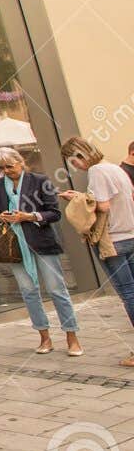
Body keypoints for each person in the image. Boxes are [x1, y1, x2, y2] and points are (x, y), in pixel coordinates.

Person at [0, 146, 79, 355]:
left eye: (9, 166)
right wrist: (0, 216)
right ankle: (44, 337)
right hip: (15, 246)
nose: (6, 171)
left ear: (20, 162)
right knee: (28, 292)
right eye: (1, 168)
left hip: (42, 243)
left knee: (57, 290)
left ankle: (72, 337)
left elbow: (54, 213)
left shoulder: (40, 181)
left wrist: (28, 217)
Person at [64, 135, 133, 358]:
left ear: (81, 155)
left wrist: (77, 199)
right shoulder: (114, 168)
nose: (73, 166)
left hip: (113, 239)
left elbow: (101, 206)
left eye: (73, 161)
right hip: (130, 234)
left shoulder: (97, 172)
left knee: (128, 294)